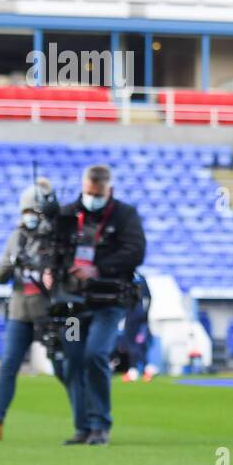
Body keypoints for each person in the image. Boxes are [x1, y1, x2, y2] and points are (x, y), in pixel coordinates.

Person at [55, 165, 146, 445]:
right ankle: (83, 427)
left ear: (109, 190)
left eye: (96, 193)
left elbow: (135, 252)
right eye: (87, 192)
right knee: (71, 360)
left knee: (95, 354)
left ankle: (100, 425)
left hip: (109, 301)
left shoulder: (124, 214)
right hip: (72, 305)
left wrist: (98, 268)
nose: (91, 197)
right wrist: (61, 268)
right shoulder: (68, 213)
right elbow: (55, 249)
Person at [0, 181, 55, 442]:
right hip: (19, 311)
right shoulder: (16, 238)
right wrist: (16, 263)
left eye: (33, 211)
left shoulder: (53, 238)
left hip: (48, 311)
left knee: (64, 366)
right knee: (9, 365)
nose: (29, 216)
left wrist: (38, 262)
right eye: (26, 211)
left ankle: (87, 423)